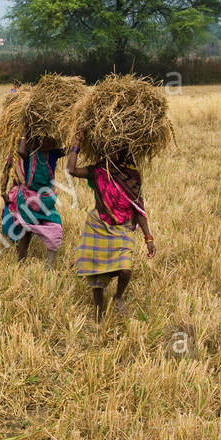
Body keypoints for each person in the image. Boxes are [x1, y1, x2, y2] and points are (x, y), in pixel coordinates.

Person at [65, 131, 155, 320]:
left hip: (123, 228)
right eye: (109, 150)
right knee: (96, 273)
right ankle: (99, 309)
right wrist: (77, 143)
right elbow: (71, 170)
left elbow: (139, 209)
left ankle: (118, 297)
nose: (112, 154)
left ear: (123, 153)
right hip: (98, 226)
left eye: (116, 150)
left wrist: (148, 238)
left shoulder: (132, 177)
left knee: (125, 269)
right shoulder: (97, 172)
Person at [0, 130, 64, 265]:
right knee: (25, 232)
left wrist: (79, 137)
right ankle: (21, 262)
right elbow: (19, 154)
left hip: (46, 201)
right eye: (44, 140)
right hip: (27, 198)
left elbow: (69, 149)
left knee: (55, 228)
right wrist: (24, 131)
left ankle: (49, 267)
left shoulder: (53, 154)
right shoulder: (29, 153)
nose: (48, 143)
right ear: (37, 141)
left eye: (50, 141)